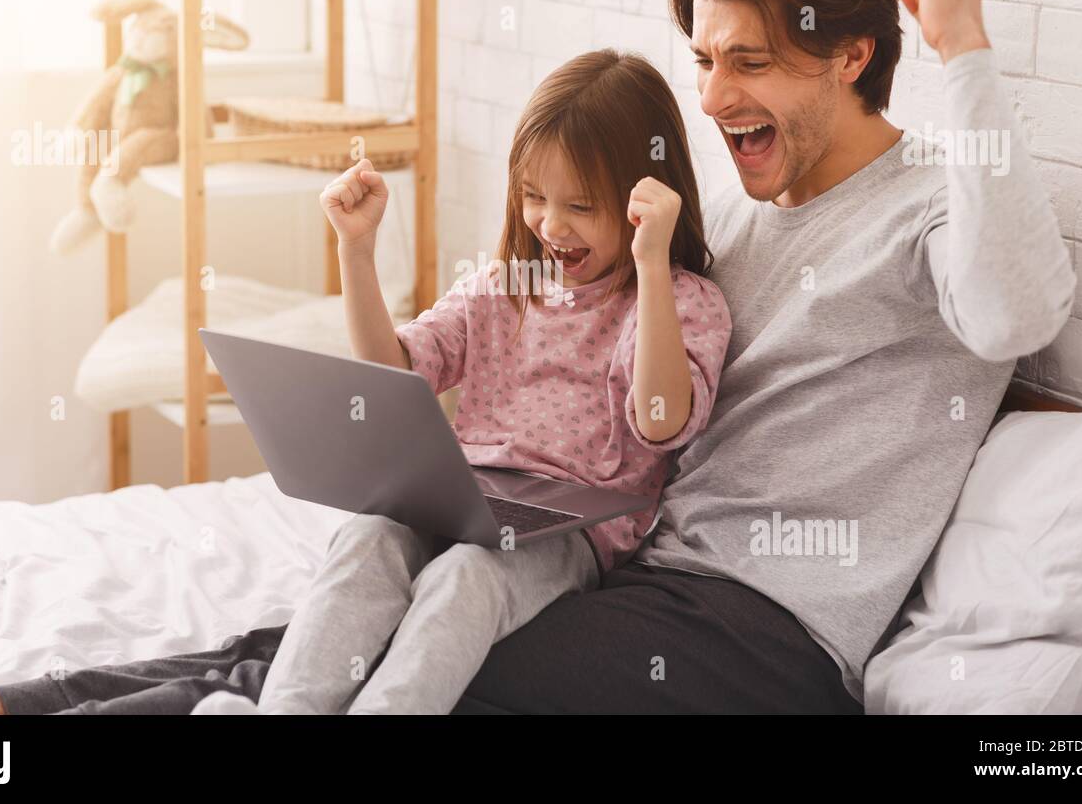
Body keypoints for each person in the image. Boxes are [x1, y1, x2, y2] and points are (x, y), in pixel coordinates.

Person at [0, 0, 1073, 716]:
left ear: (852, 51)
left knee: (432, 675)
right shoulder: (752, 214)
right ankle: (11, 707)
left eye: (745, 61)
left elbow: (1016, 313)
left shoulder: (941, 210)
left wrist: (962, 44)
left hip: (763, 628)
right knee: (354, 625)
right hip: (638, 563)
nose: (711, 98)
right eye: (704, 60)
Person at [187, 49, 730, 715]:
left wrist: (650, 265)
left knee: (465, 576)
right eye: (534, 197)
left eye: (580, 206)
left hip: (567, 533)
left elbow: (660, 419)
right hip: (460, 497)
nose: (551, 226)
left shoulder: (683, 302)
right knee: (368, 537)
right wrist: (355, 254)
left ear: (645, 200)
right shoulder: (500, 288)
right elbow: (395, 373)